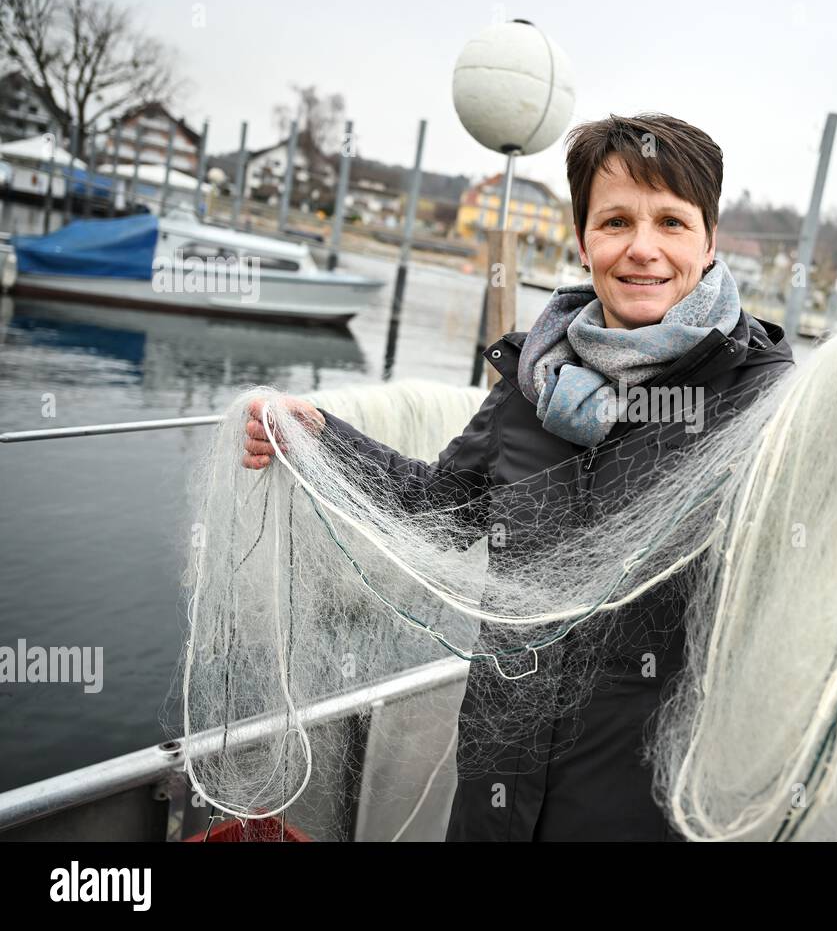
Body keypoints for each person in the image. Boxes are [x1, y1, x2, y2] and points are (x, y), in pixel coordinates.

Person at [243, 113, 795, 840]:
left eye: (671, 222)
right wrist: (319, 434)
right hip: (497, 783)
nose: (642, 249)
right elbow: (433, 508)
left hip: (640, 799)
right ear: (582, 239)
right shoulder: (530, 383)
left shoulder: (758, 397)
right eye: (615, 221)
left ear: (709, 240)